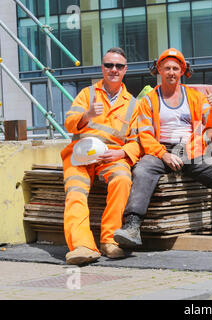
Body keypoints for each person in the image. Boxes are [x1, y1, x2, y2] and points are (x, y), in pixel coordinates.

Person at [113, 48, 212, 254]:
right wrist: (164, 154)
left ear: (182, 72)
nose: (171, 72)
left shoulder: (196, 97)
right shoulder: (148, 100)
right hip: (160, 150)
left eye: (175, 68)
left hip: (191, 151)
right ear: (159, 71)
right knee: (143, 170)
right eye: (167, 68)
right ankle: (132, 226)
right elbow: (145, 134)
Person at [61, 47, 142, 265]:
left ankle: (110, 240)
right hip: (81, 155)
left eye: (118, 66)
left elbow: (137, 140)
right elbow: (69, 122)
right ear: (102, 68)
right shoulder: (87, 94)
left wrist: (122, 152)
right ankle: (82, 246)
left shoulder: (133, 104)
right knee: (75, 192)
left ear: (125, 70)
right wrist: (86, 115)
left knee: (123, 180)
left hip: (111, 156)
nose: (113, 70)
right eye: (109, 65)